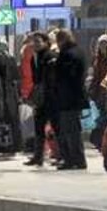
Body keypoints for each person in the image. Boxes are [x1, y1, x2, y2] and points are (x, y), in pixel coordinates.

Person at [52, 29, 88, 170]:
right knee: (74, 130)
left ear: (61, 40)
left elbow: (64, 77)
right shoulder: (79, 51)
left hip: (67, 98)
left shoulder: (67, 55)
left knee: (68, 130)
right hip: (76, 96)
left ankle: (73, 159)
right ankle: (77, 159)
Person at [24, 32, 59, 167]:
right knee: (39, 127)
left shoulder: (50, 56)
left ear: (46, 42)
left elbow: (52, 79)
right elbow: (36, 79)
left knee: (56, 127)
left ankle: (60, 154)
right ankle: (38, 156)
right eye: (34, 41)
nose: (35, 44)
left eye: (38, 41)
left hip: (50, 97)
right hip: (41, 98)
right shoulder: (35, 57)